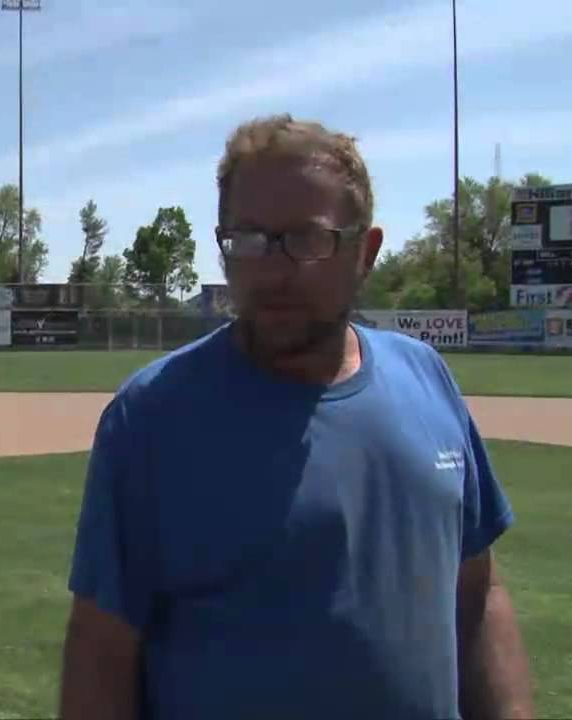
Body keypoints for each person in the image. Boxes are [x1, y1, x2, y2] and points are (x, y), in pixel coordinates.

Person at [58, 114, 534, 720]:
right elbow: (101, 652)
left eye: (308, 239)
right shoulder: (151, 417)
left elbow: (477, 592)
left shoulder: (427, 378)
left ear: (366, 252)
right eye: (250, 239)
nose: (273, 270)